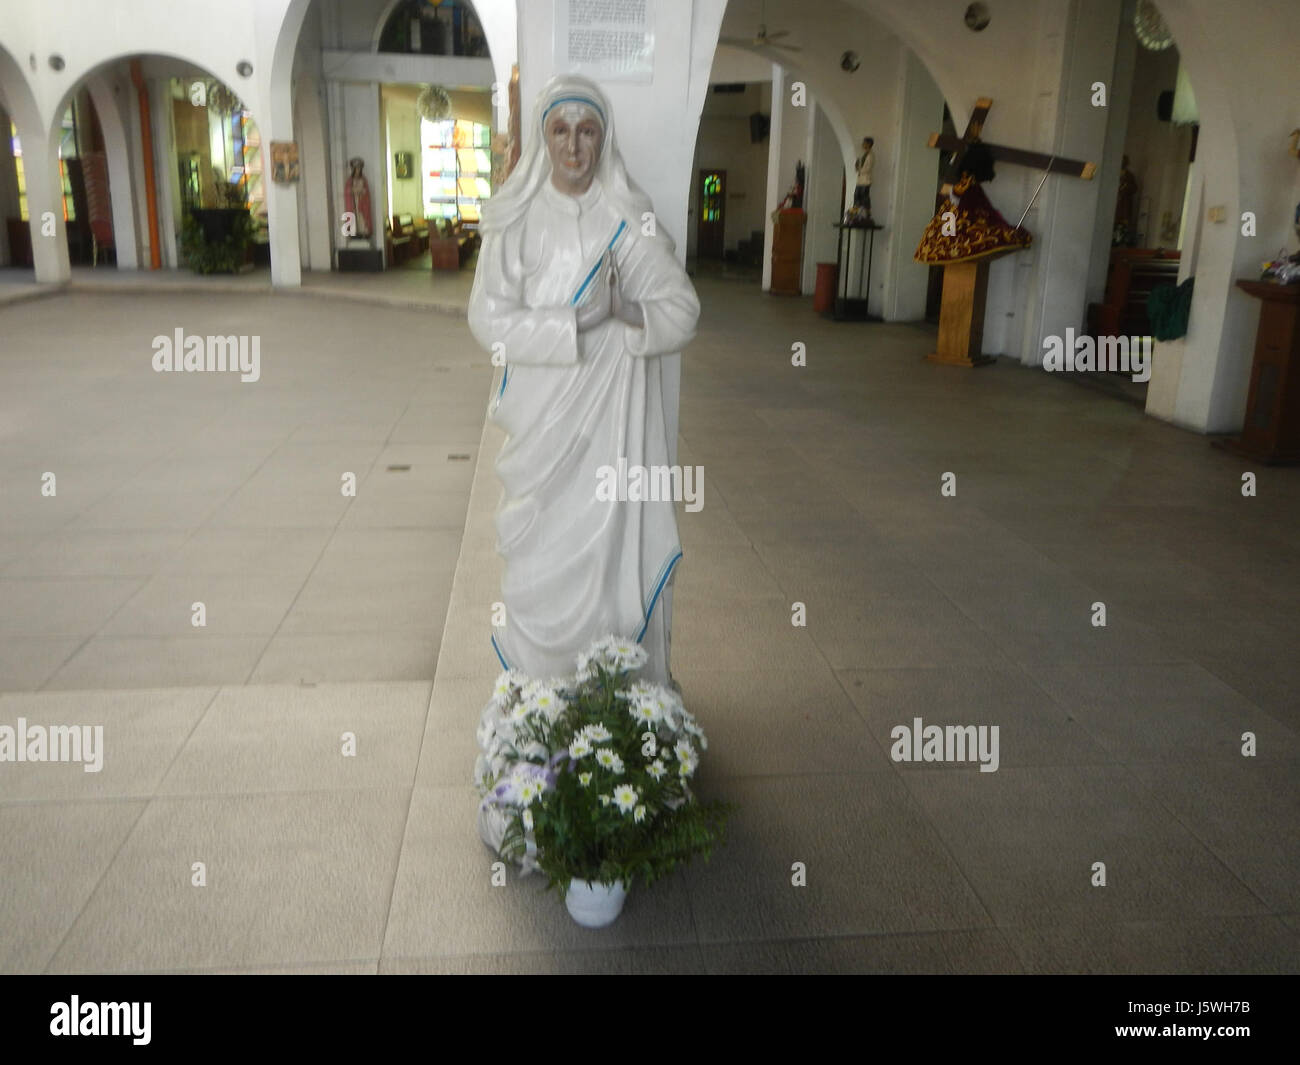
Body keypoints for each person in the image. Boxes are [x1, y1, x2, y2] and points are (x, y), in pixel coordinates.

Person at [468, 74, 700, 689]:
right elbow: (488, 322)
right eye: (561, 130)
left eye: (588, 130)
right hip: (541, 433)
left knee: (604, 561)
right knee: (538, 558)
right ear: (544, 138)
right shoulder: (514, 222)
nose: (574, 146)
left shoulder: (628, 221)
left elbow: (682, 310)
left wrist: (629, 314)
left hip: (610, 439)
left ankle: (613, 696)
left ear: (604, 137)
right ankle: (542, 695)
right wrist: (575, 321)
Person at [854, 137, 874, 216]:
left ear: (868, 144)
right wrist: (857, 166)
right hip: (860, 180)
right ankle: (855, 213)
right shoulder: (865, 154)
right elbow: (862, 167)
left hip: (865, 180)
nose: (862, 144)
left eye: (864, 143)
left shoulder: (870, 156)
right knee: (856, 196)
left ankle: (867, 213)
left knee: (865, 197)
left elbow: (868, 168)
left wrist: (859, 169)